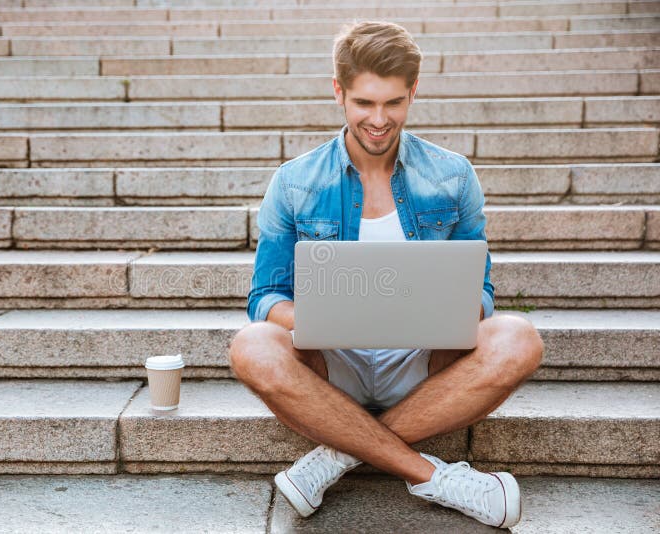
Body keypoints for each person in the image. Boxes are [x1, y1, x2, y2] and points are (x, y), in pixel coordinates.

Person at [227, 21, 545, 529]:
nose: (379, 120)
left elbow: (480, 292)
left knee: (519, 337)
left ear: (413, 92)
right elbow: (265, 297)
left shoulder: (452, 175)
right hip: (335, 366)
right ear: (339, 92)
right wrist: (326, 318)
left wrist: (453, 310)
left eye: (393, 103)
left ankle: (336, 456)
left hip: (423, 362)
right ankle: (430, 474)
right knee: (251, 345)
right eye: (364, 103)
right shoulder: (295, 182)